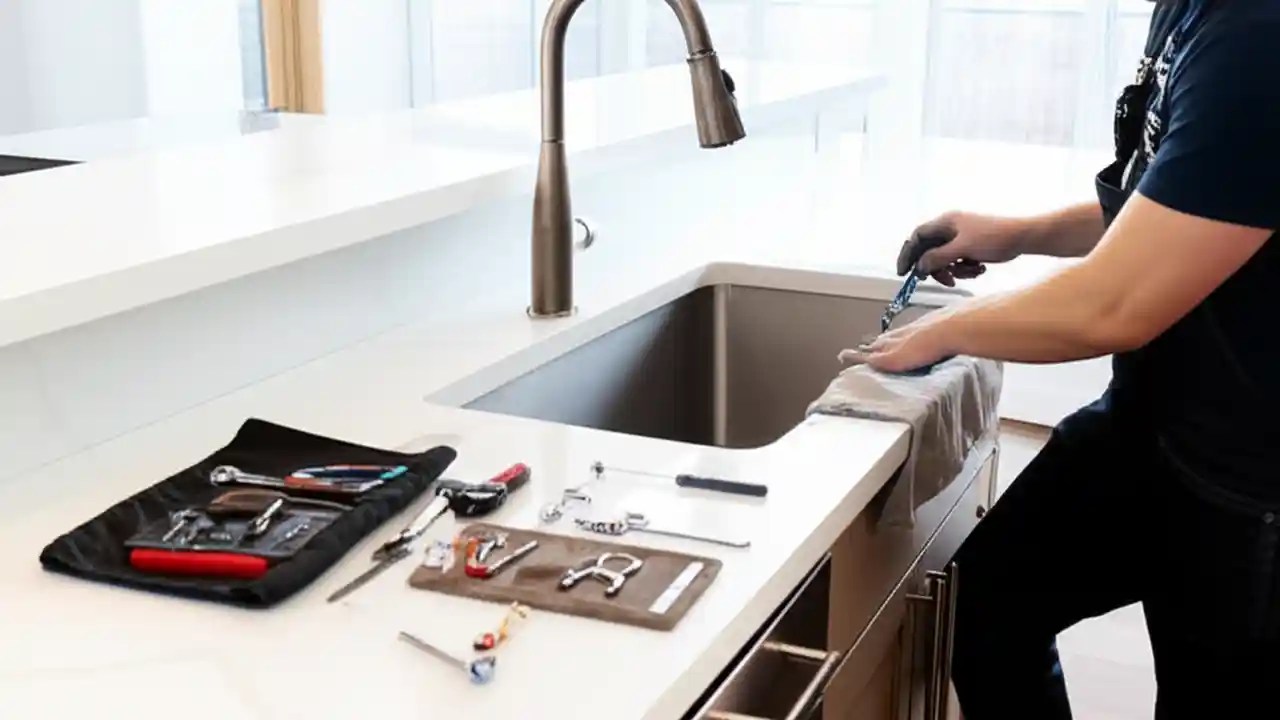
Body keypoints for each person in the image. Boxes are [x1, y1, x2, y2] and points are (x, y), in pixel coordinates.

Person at [855, 1, 1280, 717]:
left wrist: (946, 332)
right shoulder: (1191, 13)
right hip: (1152, 421)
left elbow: (1118, 305)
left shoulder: (1259, 37)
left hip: (1246, 481)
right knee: (986, 611)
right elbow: (1178, 198)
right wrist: (1015, 235)